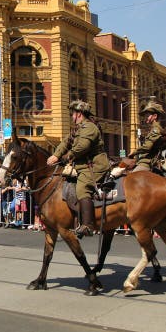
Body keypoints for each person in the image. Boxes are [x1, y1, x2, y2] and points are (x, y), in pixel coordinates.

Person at [46, 100, 110, 238]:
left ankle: (88, 225)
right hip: (82, 165)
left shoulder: (90, 127)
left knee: (82, 188)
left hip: (93, 166)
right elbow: (65, 142)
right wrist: (55, 156)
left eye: (73, 114)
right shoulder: (78, 129)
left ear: (79, 114)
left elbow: (82, 147)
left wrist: (66, 157)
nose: (72, 116)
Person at [129, 100, 166, 172]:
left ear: (155, 116)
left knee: (132, 177)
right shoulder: (154, 129)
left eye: (147, 116)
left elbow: (147, 147)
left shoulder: (156, 129)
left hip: (147, 161)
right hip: (144, 159)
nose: (145, 118)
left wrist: (133, 153)